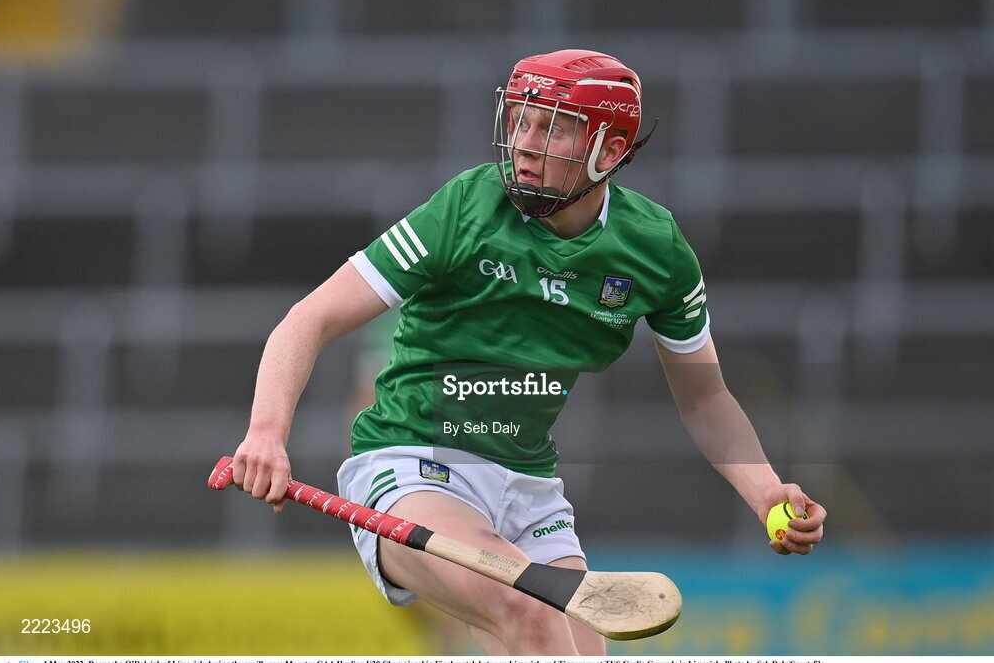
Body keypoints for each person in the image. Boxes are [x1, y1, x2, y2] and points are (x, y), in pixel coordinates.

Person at [230, 49, 827, 655]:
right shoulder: (465, 207)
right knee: (526, 610)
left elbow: (706, 398)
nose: (526, 142)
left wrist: (767, 491)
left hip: (528, 486)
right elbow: (308, 318)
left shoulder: (657, 251)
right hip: (412, 464)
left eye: (554, 127)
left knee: (583, 646)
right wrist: (265, 433)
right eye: (521, 119)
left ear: (609, 152)